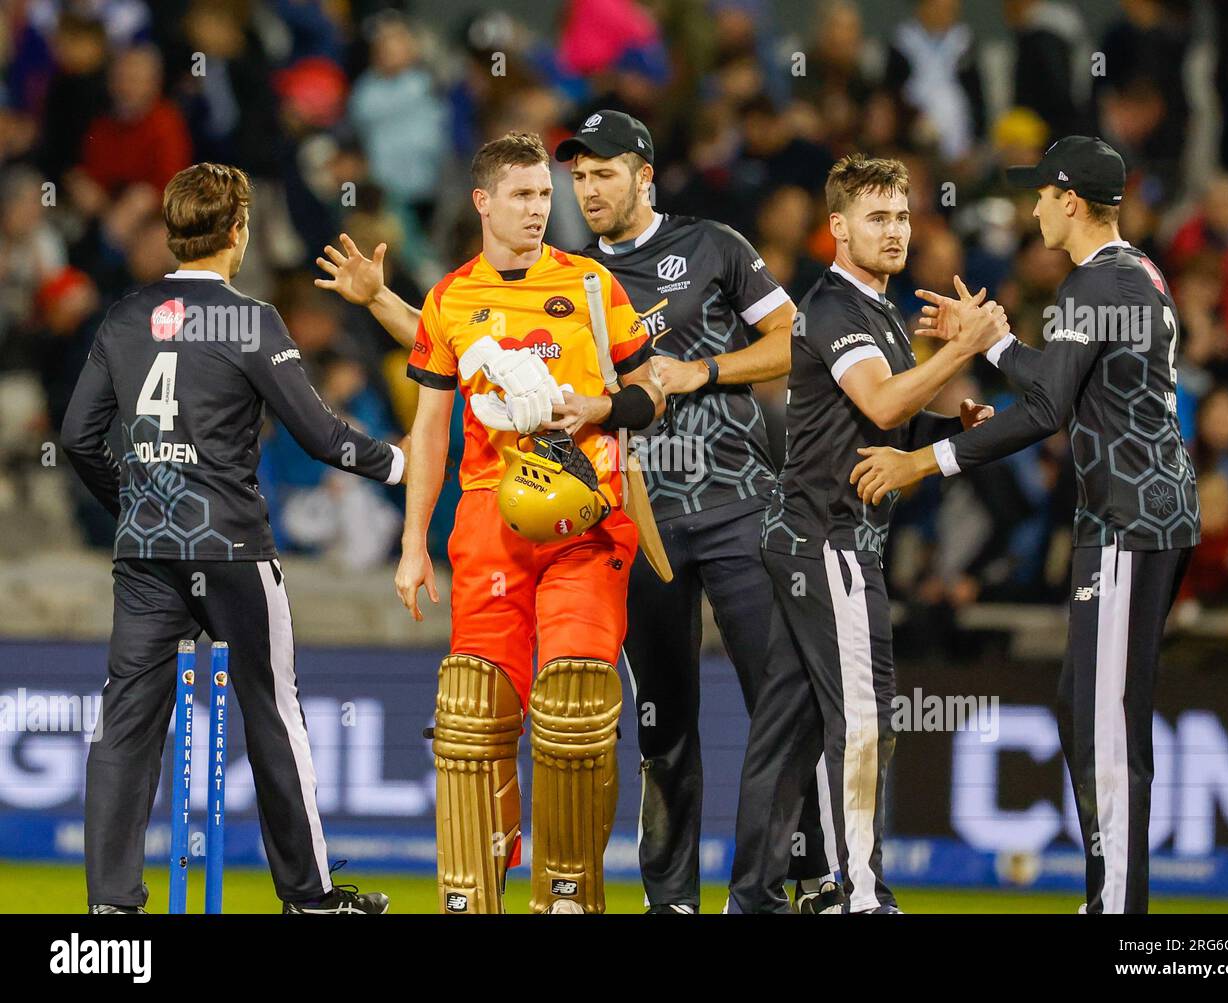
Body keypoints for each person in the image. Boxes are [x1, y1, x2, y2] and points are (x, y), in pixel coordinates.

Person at [315, 111, 841, 914]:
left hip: (696, 506)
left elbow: (751, 356)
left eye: (593, 176)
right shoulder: (530, 281)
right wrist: (381, 299)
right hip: (572, 513)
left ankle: (778, 880)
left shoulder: (670, 262)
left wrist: (671, 380)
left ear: (643, 175)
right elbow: (454, 355)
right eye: (570, 179)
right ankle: (645, 898)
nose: (574, 193)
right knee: (605, 720)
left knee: (746, 696)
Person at [851, 137, 1201, 913]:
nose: (1031, 206)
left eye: (1040, 193)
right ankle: (1107, 896)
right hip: (1140, 519)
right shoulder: (1132, 273)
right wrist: (995, 340)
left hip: (1127, 524)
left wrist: (924, 461)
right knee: (1084, 706)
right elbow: (1066, 384)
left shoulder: (1094, 285)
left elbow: (1046, 410)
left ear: (1070, 200)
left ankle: (1116, 908)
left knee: (1106, 724)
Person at [324, 130, 665, 914]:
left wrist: (603, 406)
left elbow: (652, 392)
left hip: (584, 516)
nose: (539, 209)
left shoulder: (589, 286)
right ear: (482, 201)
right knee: (473, 711)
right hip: (488, 519)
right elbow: (430, 431)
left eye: (545, 195)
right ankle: (472, 898)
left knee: (576, 698)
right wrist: (413, 544)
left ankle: (571, 893)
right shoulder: (449, 299)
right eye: (522, 195)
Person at [62, 162, 400, 915]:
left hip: (147, 552)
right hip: (232, 552)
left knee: (124, 725)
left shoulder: (124, 317)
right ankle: (308, 899)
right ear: (238, 230)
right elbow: (320, 437)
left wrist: (136, 503)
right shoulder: (249, 320)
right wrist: (402, 461)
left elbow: (78, 435)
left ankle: (112, 907)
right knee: (274, 713)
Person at [726, 155, 1005, 914]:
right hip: (830, 539)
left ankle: (750, 897)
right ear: (838, 228)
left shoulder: (878, 309)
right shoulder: (837, 305)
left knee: (785, 727)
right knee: (864, 718)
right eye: (878, 218)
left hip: (810, 536)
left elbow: (876, 414)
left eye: (903, 215)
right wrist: (963, 347)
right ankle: (862, 892)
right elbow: (880, 407)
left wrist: (951, 416)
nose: (895, 230)